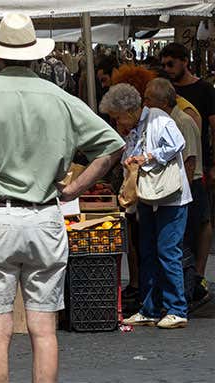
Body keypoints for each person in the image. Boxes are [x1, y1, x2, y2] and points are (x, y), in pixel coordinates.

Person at [0, 14, 124, 383]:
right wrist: (75, 188)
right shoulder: (61, 98)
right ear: (36, 56)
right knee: (44, 330)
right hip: (45, 216)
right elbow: (113, 145)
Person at [101, 83, 191, 329]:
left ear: (129, 112)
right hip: (147, 197)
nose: (117, 124)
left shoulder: (158, 119)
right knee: (147, 251)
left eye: (117, 118)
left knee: (167, 251)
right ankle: (149, 308)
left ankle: (177, 309)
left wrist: (148, 157)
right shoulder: (133, 130)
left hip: (171, 198)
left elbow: (177, 144)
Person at [144, 78, 206, 302]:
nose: (145, 103)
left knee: (179, 248)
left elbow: (189, 161)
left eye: (148, 99)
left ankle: (186, 294)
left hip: (185, 189)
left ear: (160, 101)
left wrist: (183, 193)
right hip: (175, 190)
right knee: (174, 247)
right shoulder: (167, 119)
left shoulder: (181, 121)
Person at [161, 42, 214, 302]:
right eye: (164, 64)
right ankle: (186, 274)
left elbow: (214, 127)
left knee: (201, 218)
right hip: (175, 164)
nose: (167, 69)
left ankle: (199, 274)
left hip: (199, 162)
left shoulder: (203, 89)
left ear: (184, 61)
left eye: (171, 63)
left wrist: (212, 163)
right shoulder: (164, 89)